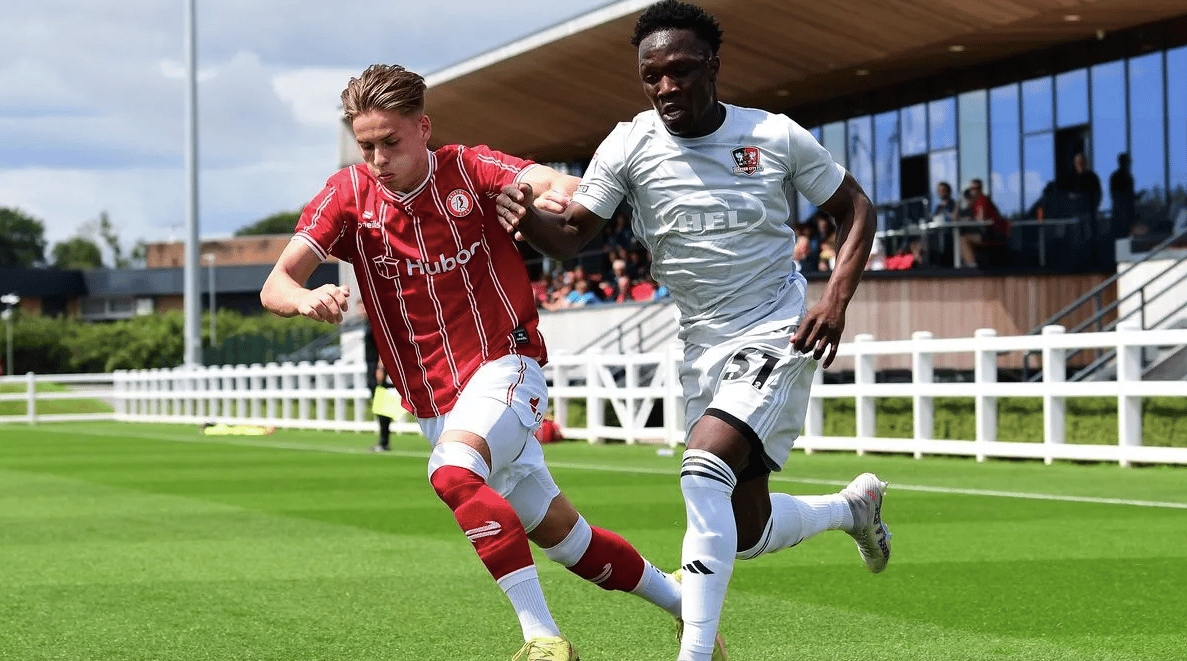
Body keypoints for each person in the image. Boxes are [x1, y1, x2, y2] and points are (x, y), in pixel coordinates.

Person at [495, 3, 891, 660]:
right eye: (653, 76)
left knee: (702, 468)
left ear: (712, 66)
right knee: (743, 529)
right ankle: (853, 508)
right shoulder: (627, 143)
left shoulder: (773, 134)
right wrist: (524, 218)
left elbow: (856, 208)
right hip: (701, 344)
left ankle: (696, 651)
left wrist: (835, 298)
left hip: (776, 326)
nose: (666, 87)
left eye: (680, 70)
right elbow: (571, 235)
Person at [260, 63, 689, 661]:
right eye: (367, 145)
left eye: (391, 141)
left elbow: (553, 184)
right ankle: (691, 610)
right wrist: (307, 298)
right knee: (569, 541)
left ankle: (542, 639)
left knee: (453, 474)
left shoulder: (468, 167)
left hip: (506, 367)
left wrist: (544, 194)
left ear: (423, 128)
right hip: (435, 400)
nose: (378, 157)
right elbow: (275, 283)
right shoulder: (345, 195)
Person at [360, 301, 392, 452]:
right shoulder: (368, 324)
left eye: (363, 307)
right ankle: (383, 440)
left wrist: (381, 367)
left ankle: (384, 442)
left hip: (377, 369)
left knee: (383, 406)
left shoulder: (376, 323)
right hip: (371, 369)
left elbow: (383, 346)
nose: (361, 310)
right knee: (380, 406)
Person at [958, 178, 1009, 268]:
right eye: (972, 189)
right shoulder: (976, 202)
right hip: (989, 234)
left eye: (977, 188)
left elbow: (980, 219)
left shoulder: (982, 200)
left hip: (994, 235)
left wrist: (970, 219)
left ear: (981, 189)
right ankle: (971, 266)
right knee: (963, 239)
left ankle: (972, 268)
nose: (974, 191)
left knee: (963, 239)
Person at [1109, 152, 1136, 240]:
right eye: (1128, 162)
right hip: (1122, 215)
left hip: (1124, 215)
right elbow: (1121, 196)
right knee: (1122, 241)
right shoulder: (1123, 177)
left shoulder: (1117, 177)